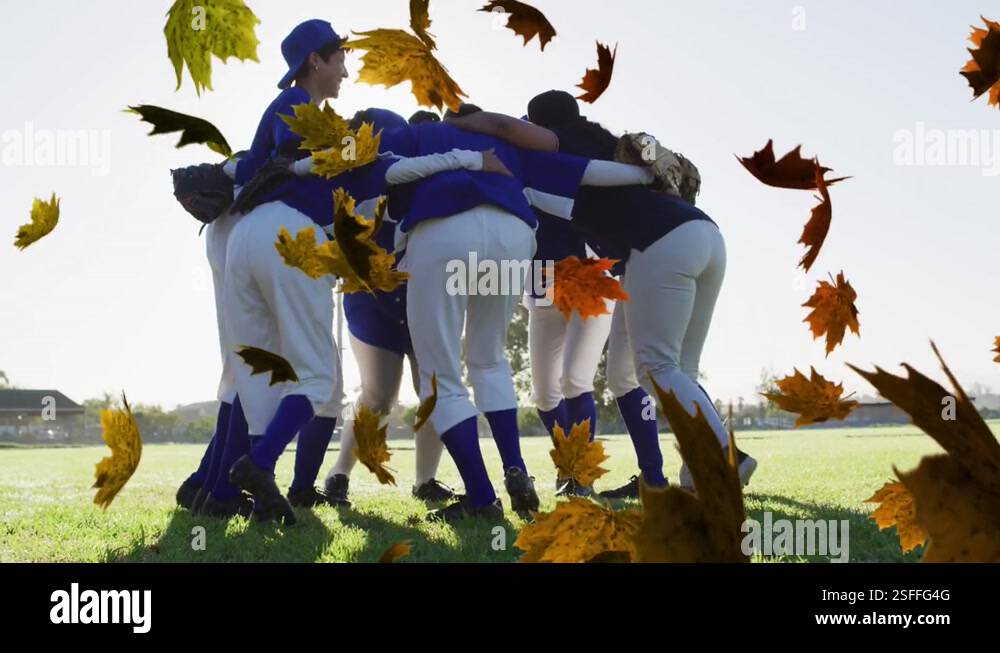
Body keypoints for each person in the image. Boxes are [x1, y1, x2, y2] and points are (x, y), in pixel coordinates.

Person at [446, 91, 758, 491]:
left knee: (656, 367)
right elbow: (606, 175)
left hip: (658, 243)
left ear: (541, 126)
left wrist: (455, 124)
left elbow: (507, 128)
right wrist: (648, 175)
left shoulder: (555, 157)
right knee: (675, 369)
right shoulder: (609, 147)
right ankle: (696, 472)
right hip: (703, 233)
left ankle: (725, 459)